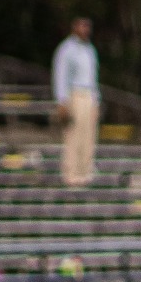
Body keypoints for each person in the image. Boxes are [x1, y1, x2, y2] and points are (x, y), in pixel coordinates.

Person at [52, 17, 101, 187]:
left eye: (88, 26)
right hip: (75, 93)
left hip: (89, 94)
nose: (85, 29)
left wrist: (96, 100)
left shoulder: (90, 50)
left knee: (89, 135)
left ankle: (85, 171)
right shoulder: (67, 49)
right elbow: (61, 75)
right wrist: (62, 100)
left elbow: (93, 77)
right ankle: (71, 172)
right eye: (82, 25)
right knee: (74, 135)